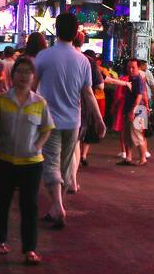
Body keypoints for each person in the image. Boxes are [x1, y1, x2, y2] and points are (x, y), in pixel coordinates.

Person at [33, 12, 104, 224]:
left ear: (56, 30)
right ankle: (57, 207)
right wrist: (99, 119)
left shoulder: (44, 56)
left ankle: (57, 207)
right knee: (64, 166)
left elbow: (32, 89)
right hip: (74, 121)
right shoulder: (83, 60)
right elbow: (88, 93)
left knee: (51, 164)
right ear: (75, 33)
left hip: (49, 120)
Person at [0, 55, 55, 265]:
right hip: (4, 160)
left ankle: (30, 249)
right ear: (13, 74)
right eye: (20, 71)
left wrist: (36, 146)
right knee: (0, 203)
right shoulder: (2, 101)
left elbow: (47, 129)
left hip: (31, 164)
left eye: (28, 72)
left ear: (33, 76)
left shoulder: (40, 103)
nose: (24, 76)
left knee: (30, 206)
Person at [117, 59, 150, 166]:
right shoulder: (131, 78)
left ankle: (143, 159)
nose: (130, 69)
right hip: (131, 110)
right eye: (129, 67)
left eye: (133, 67)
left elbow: (140, 95)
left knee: (138, 135)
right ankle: (128, 158)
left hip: (138, 110)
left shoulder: (138, 79)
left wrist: (133, 110)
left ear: (138, 68)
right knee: (127, 135)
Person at [78, 49, 106, 168]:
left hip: (76, 106)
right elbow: (100, 85)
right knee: (85, 132)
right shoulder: (90, 64)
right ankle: (83, 156)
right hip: (87, 105)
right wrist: (99, 119)